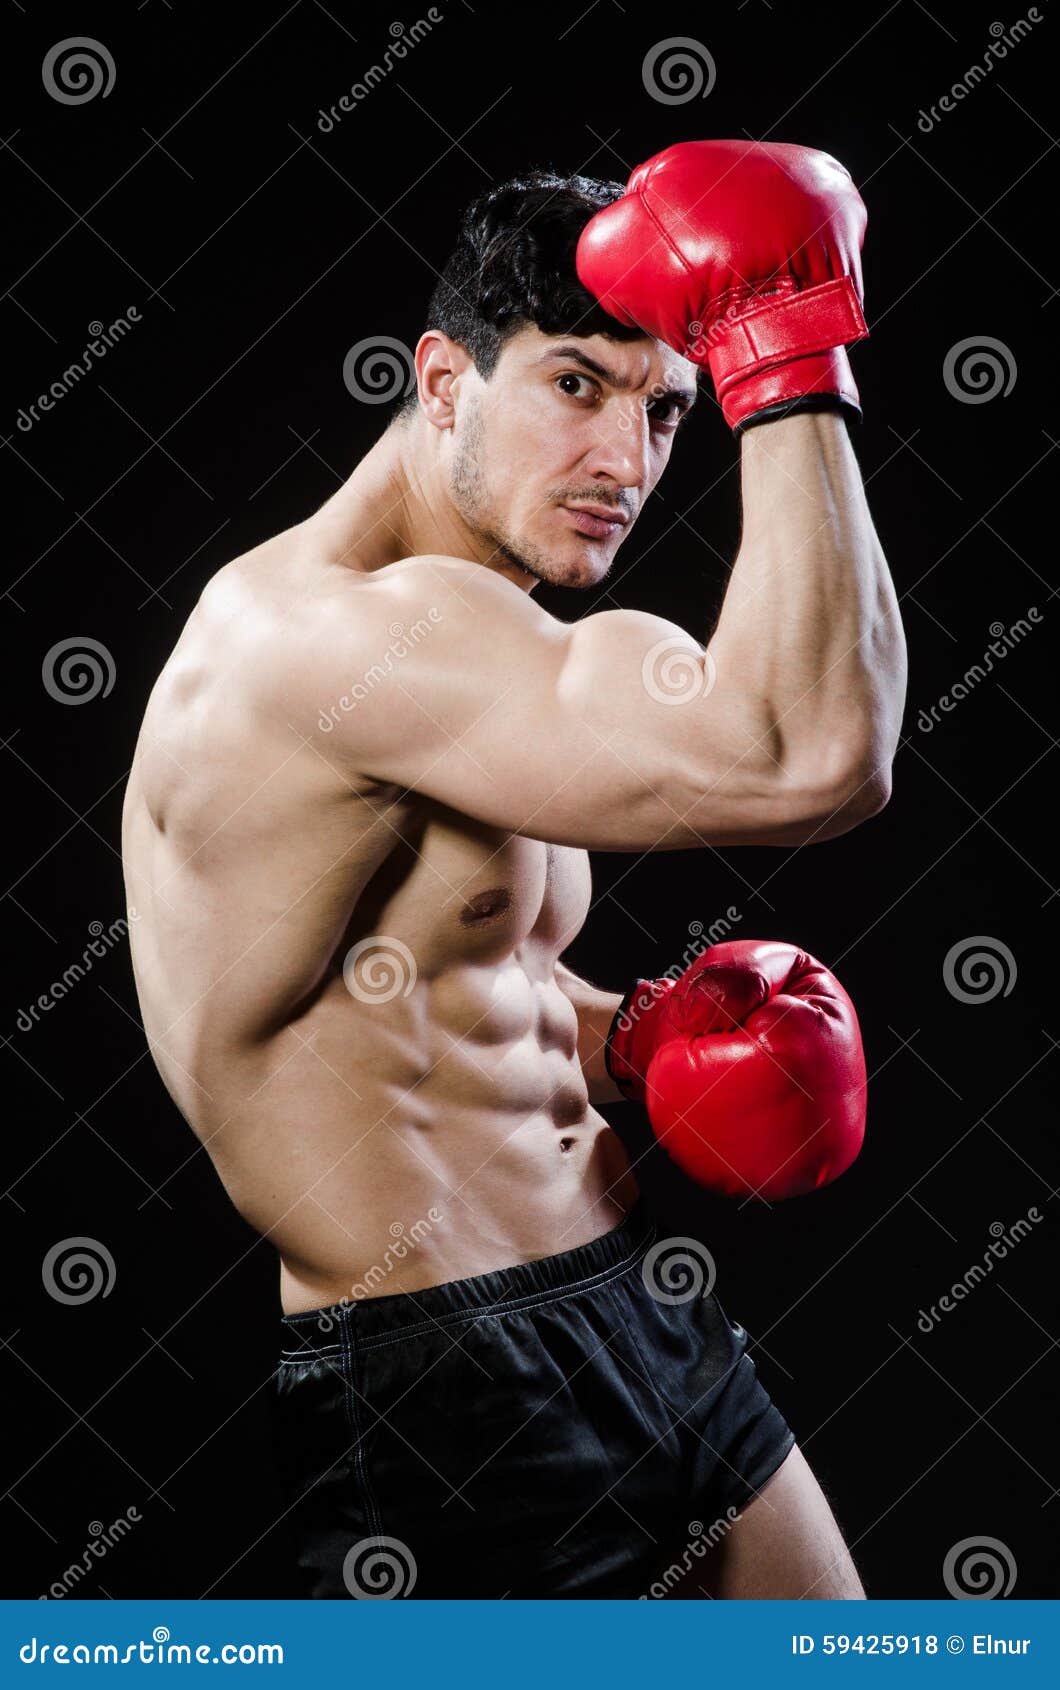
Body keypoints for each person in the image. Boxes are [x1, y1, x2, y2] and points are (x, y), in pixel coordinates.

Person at [121, 139, 906, 1598]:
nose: (627, 460)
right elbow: (814, 753)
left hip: (637, 1303)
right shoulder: (318, 645)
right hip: (448, 1391)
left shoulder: (483, 643)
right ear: (438, 381)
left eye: (669, 410)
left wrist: (642, 1033)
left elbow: (444, 972)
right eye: (574, 386)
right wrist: (782, 346)